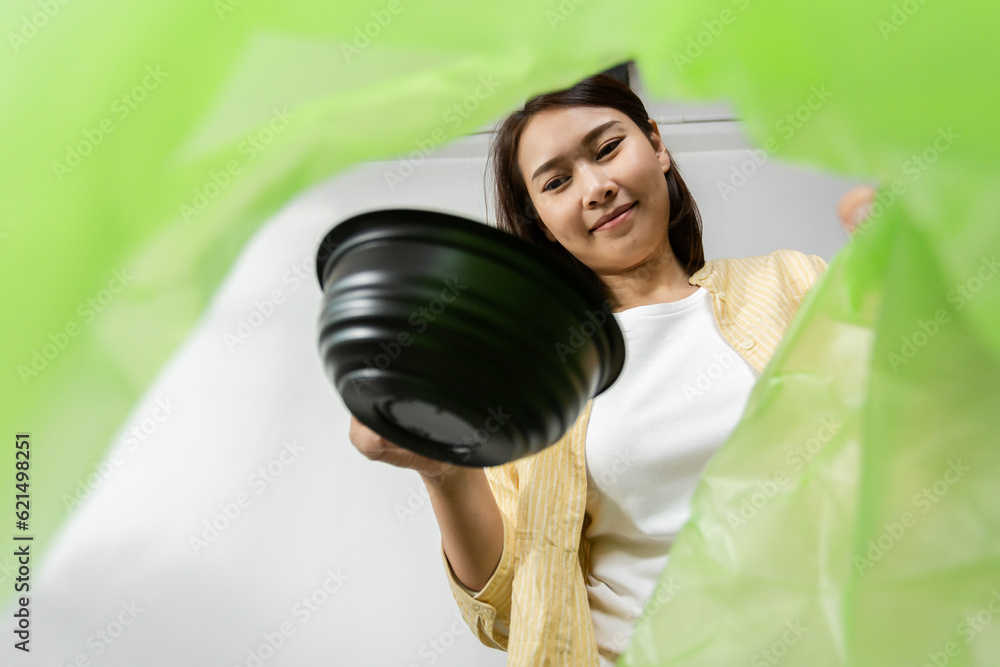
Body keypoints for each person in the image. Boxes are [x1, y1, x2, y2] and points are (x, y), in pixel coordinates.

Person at [349, 74, 848, 666]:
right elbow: (509, 608)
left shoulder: (796, 283)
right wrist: (443, 472)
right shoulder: (532, 380)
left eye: (607, 148)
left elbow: (920, 444)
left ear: (657, 145)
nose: (596, 187)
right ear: (540, 219)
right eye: (557, 181)